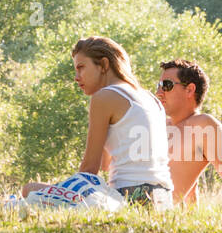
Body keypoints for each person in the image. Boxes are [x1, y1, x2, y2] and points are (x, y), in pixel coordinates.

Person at [19, 37, 174, 207]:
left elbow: (89, 170)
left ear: (104, 65)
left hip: (129, 197)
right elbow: (106, 164)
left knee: (30, 189)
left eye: (81, 68)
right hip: (164, 198)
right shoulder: (152, 98)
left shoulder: (104, 96)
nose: (77, 77)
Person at [156, 59, 222, 209]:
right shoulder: (161, 124)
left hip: (147, 206)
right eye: (158, 86)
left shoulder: (204, 124)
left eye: (166, 85)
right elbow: (187, 177)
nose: (159, 92)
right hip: (130, 198)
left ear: (190, 90)